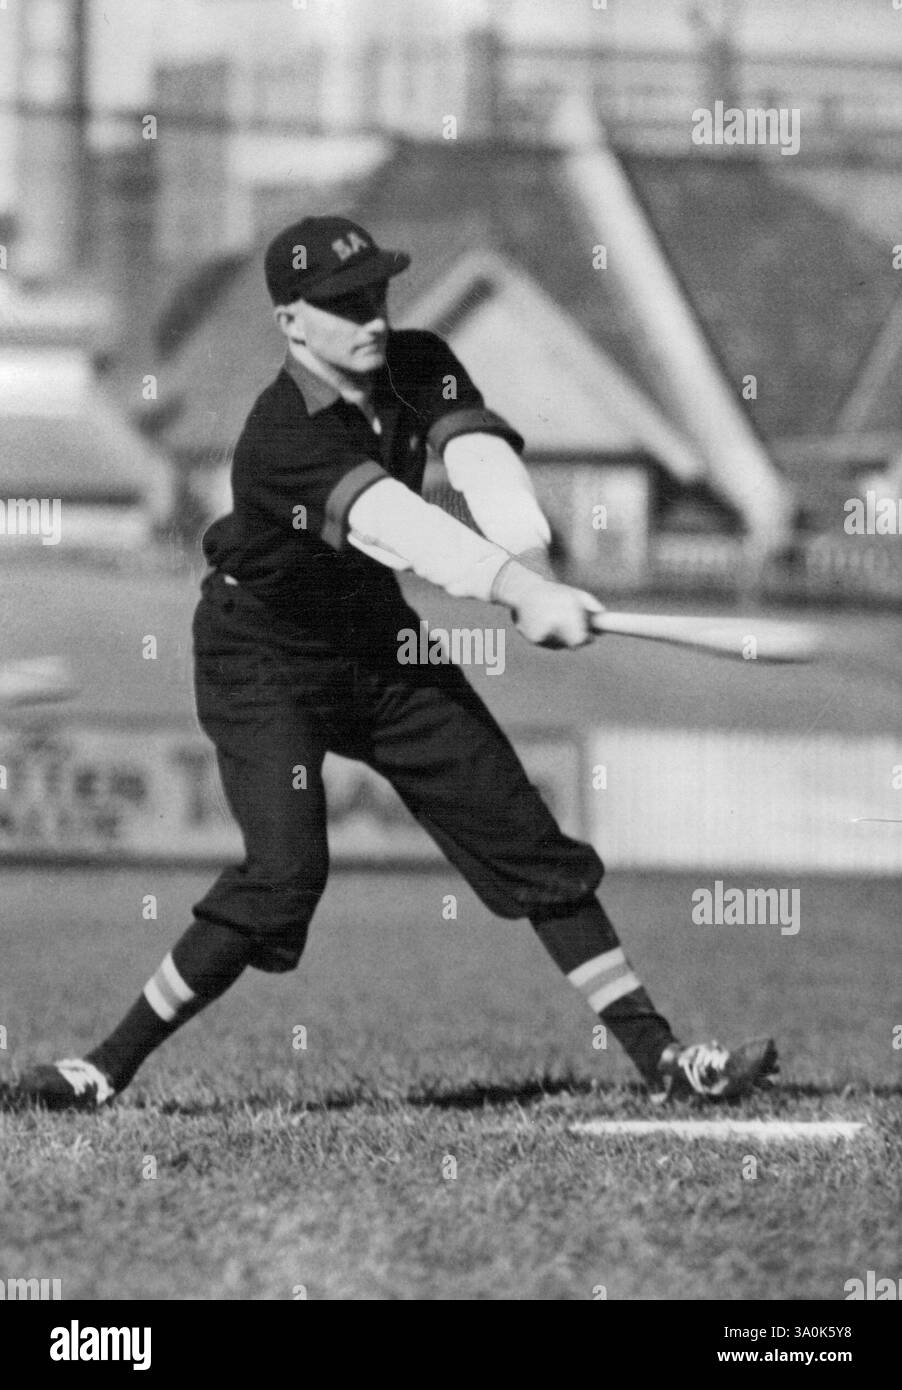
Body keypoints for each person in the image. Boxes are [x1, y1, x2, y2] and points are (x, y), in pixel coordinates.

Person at [7, 216, 777, 1112]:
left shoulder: (420, 361)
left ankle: (666, 1063)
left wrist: (529, 565)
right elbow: (398, 528)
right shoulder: (280, 436)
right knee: (284, 881)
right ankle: (104, 1067)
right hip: (260, 655)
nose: (370, 317)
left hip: (377, 640)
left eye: (374, 293)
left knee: (525, 836)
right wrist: (512, 593)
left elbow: (481, 463)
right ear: (292, 322)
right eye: (342, 305)